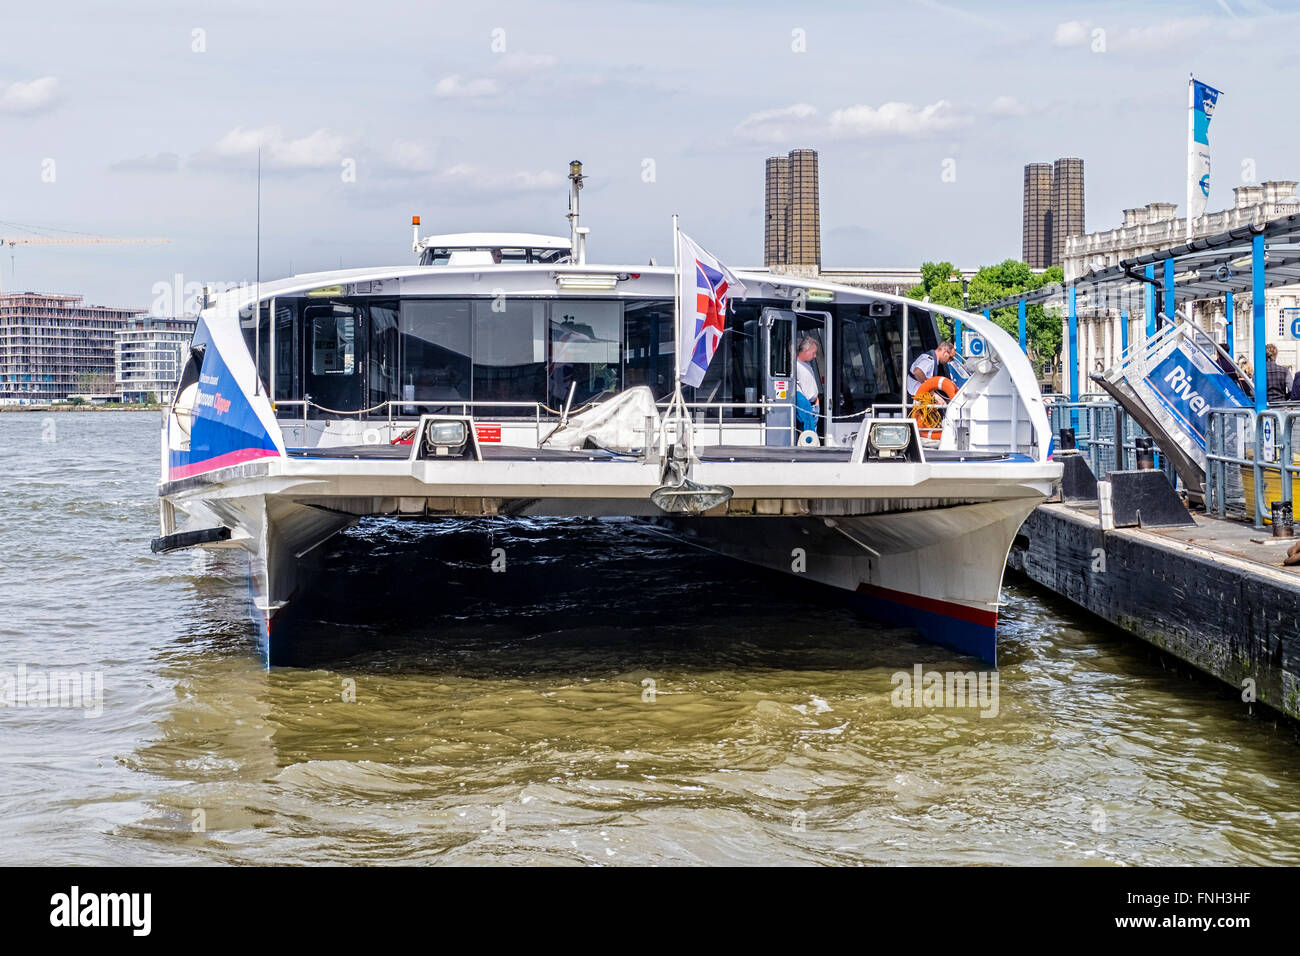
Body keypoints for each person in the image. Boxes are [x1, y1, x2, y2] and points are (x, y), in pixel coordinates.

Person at [907, 340, 957, 404]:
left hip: (917, 396)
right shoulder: (930, 359)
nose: (949, 361)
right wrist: (931, 390)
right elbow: (917, 371)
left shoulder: (932, 359)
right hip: (914, 396)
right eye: (950, 358)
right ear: (945, 352)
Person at [795, 336, 820, 434]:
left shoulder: (807, 364)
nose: (815, 356)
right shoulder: (795, 366)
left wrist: (817, 401)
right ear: (805, 350)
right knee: (808, 436)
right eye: (813, 353)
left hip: (813, 406)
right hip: (806, 407)